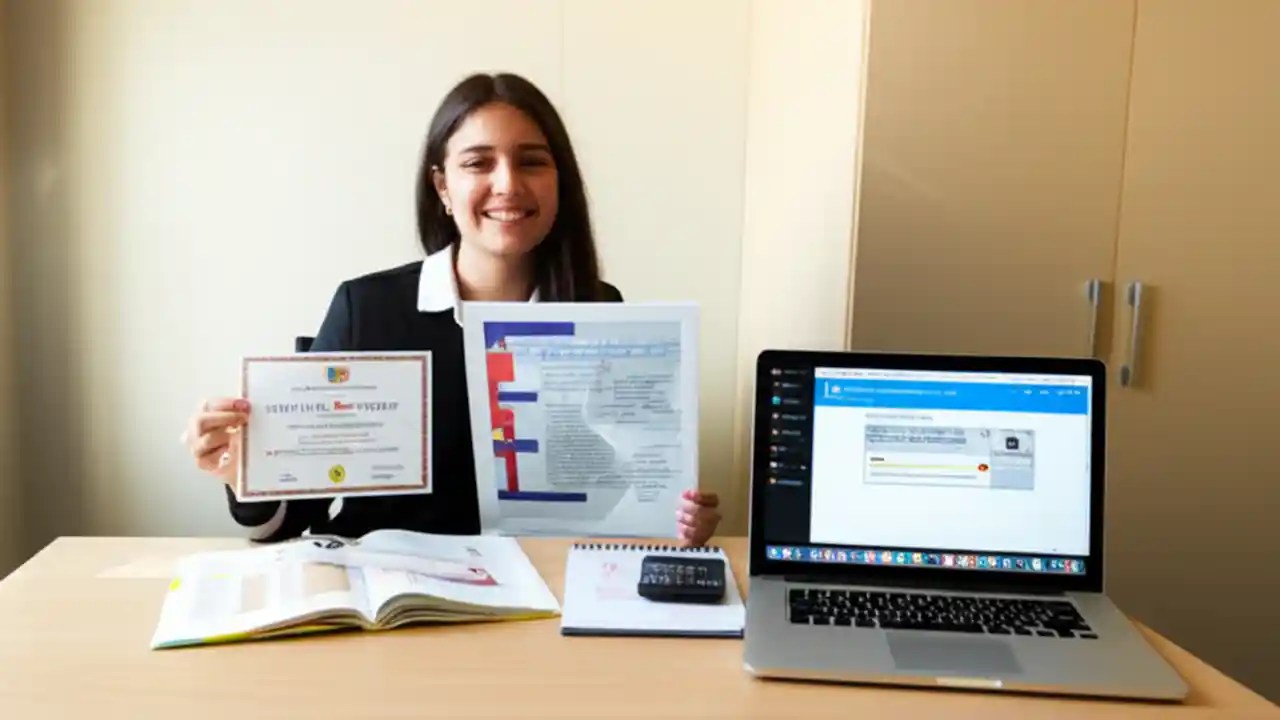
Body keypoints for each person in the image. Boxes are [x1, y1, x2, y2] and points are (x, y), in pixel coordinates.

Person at [182, 72, 722, 546]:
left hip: (543, 603)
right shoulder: (366, 308)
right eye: (478, 163)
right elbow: (290, 521)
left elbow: (624, 488)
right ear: (443, 186)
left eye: (531, 161)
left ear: (560, 184)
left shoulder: (602, 311)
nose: (508, 184)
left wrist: (675, 516)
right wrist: (243, 472)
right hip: (394, 612)